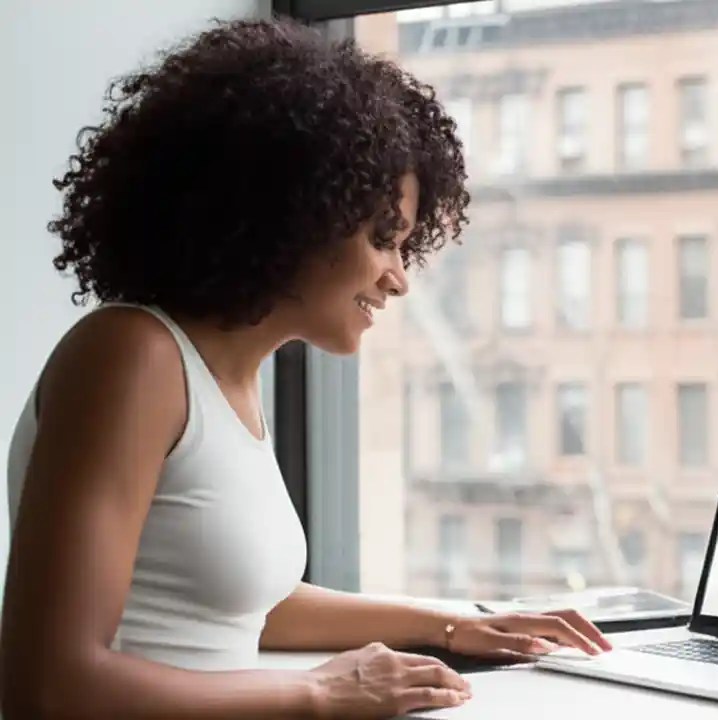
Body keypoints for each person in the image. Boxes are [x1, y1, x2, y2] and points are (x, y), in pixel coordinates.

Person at [0, 18, 611, 719]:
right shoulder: (131, 358)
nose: (398, 279)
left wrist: (450, 626)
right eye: (384, 239)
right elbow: (48, 688)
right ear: (292, 214)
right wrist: (320, 693)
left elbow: (242, 604)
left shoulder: (225, 376)